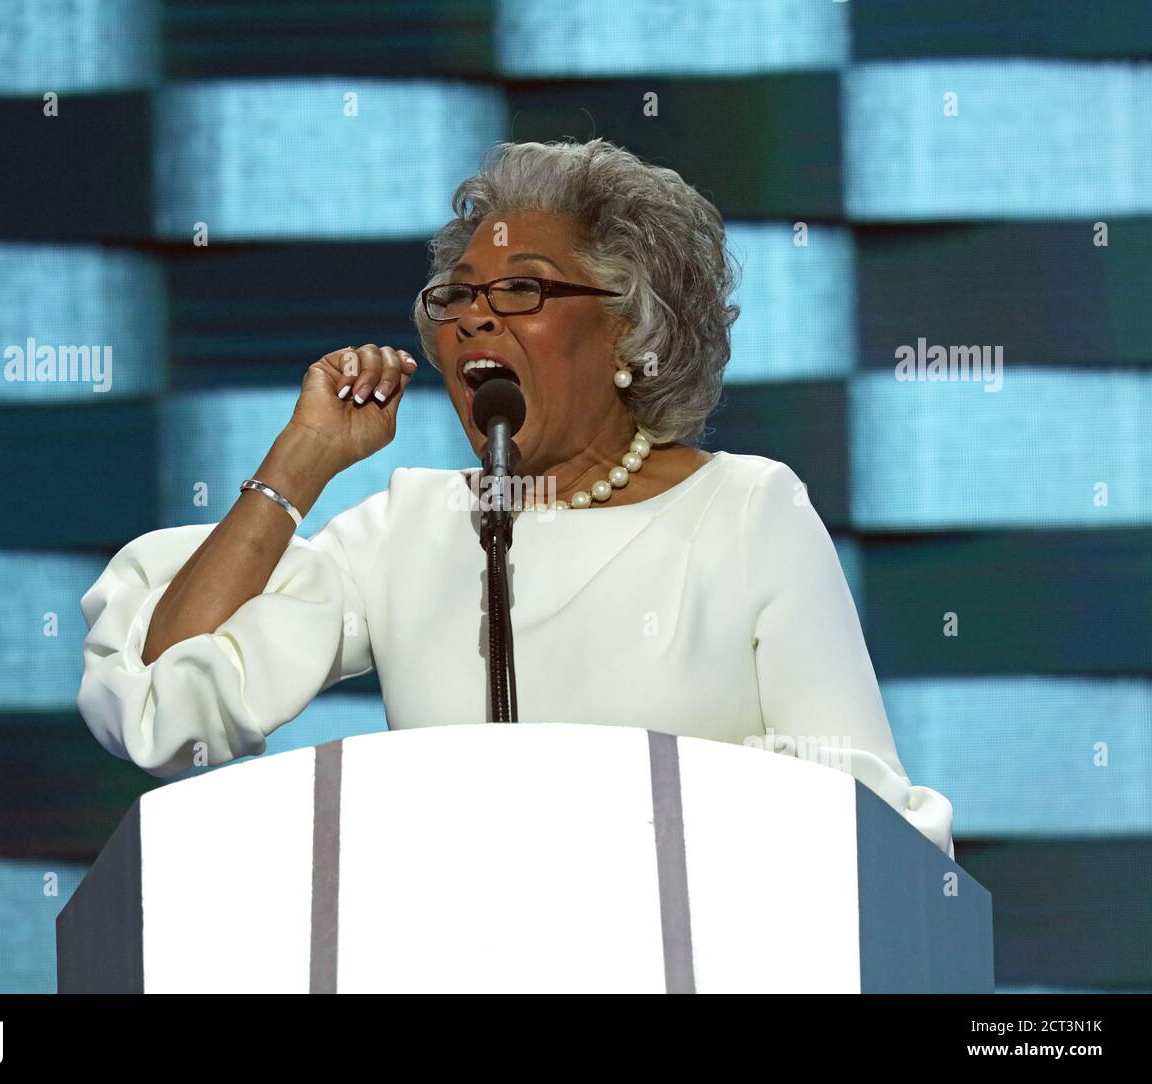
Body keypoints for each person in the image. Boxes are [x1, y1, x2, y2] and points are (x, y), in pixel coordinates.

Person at [77, 138, 954, 858]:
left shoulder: (749, 513)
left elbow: (864, 821)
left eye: (523, 289)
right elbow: (161, 706)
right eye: (455, 295)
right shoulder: (404, 533)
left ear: (632, 331)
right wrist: (298, 465)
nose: (473, 319)